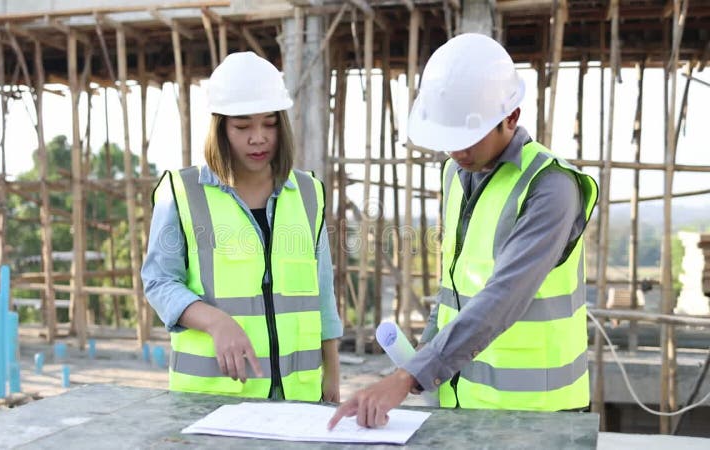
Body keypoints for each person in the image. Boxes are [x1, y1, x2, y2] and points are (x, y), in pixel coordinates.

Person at [329, 33, 598, 429]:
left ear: (511, 117)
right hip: (467, 407)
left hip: (539, 419)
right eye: (447, 138)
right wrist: (425, 350)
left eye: (467, 137)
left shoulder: (551, 187)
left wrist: (407, 378)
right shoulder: (457, 173)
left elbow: (503, 296)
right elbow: (454, 283)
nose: (456, 151)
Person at [142, 51, 342, 402]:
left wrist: (333, 378)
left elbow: (322, 295)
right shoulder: (181, 193)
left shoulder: (309, 193)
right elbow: (159, 282)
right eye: (243, 125)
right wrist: (215, 322)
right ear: (220, 126)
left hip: (299, 397)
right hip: (211, 397)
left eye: (270, 123)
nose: (258, 138)